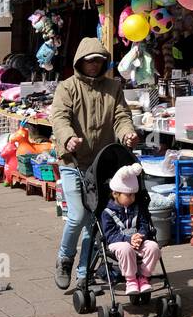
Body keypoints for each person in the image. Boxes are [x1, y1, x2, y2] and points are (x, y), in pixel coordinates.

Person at [50, 37, 138, 290]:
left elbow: (121, 116)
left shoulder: (114, 87)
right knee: (77, 216)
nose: (93, 66)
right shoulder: (67, 87)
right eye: (89, 62)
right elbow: (59, 117)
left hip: (101, 165)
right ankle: (65, 259)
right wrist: (67, 138)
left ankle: (83, 274)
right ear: (80, 62)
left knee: (93, 221)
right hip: (73, 161)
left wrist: (127, 133)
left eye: (98, 61)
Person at [99, 162, 160, 295]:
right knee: (126, 248)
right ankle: (131, 279)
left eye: (133, 194)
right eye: (128, 195)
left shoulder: (138, 208)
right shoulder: (107, 213)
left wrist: (140, 236)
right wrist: (128, 239)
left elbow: (144, 225)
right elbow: (110, 235)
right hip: (118, 243)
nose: (132, 198)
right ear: (116, 194)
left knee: (153, 247)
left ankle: (144, 277)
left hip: (138, 241)